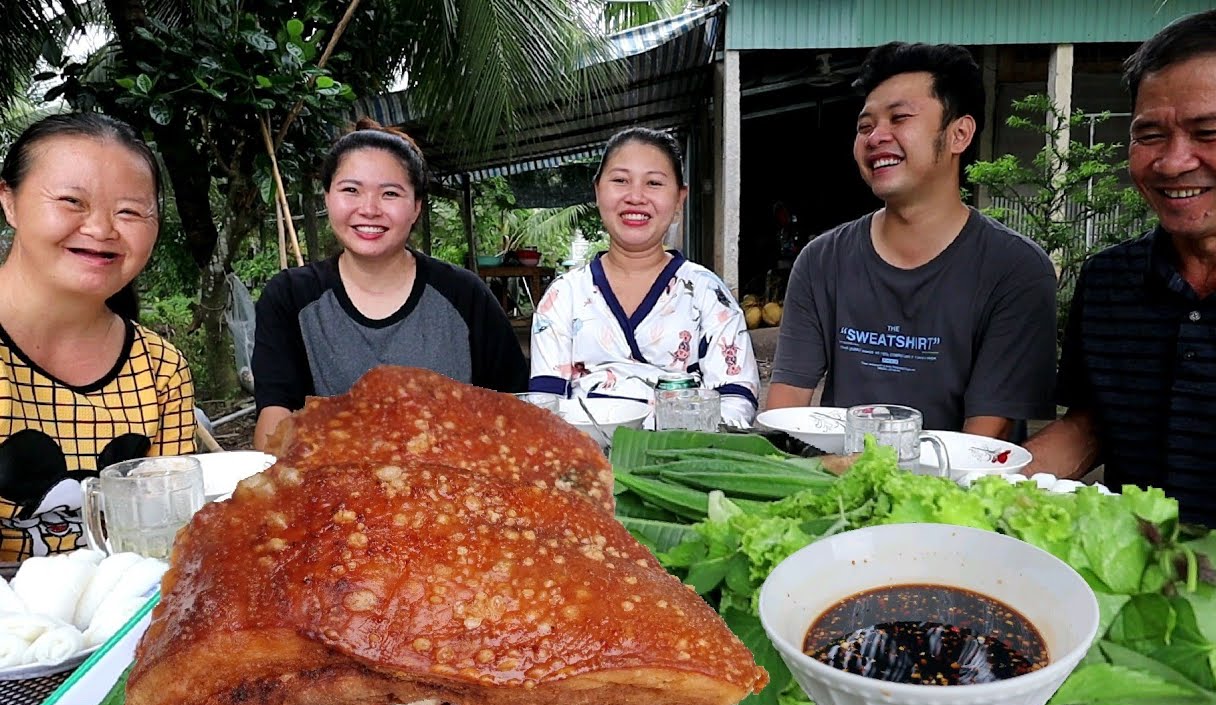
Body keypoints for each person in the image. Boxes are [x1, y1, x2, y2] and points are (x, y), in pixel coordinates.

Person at [1025, 2, 1216, 554]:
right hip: (1124, 585)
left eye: (1208, 131)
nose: (1171, 162)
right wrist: (986, 491)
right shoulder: (1110, 280)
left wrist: (1214, 601)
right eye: (1149, 135)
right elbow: (1093, 425)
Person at [765, 42, 1058, 439]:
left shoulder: (1015, 269)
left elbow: (985, 438)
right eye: (865, 126)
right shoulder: (821, 261)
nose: (875, 137)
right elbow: (786, 411)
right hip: (836, 486)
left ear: (959, 134)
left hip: (957, 492)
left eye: (899, 118)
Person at [252, 119, 527, 449]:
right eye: (351, 190)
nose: (368, 209)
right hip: (332, 493)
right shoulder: (290, 298)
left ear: (416, 207)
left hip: (453, 491)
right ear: (327, 198)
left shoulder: (465, 296)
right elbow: (275, 419)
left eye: (390, 193)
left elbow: (516, 413)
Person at [0, 112, 196, 570]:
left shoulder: (160, 368)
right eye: (72, 201)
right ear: (8, 200)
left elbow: (170, 548)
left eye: (130, 211)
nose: (103, 229)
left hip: (119, 622)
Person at [529, 128, 761, 425]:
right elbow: (544, 406)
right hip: (585, 462)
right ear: (598, 191)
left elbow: (735, 399)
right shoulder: (563, 296)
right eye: (620, 180)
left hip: (682, 461)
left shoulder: (707, 293)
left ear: (679, 199)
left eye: (653, 183)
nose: (635, 197)